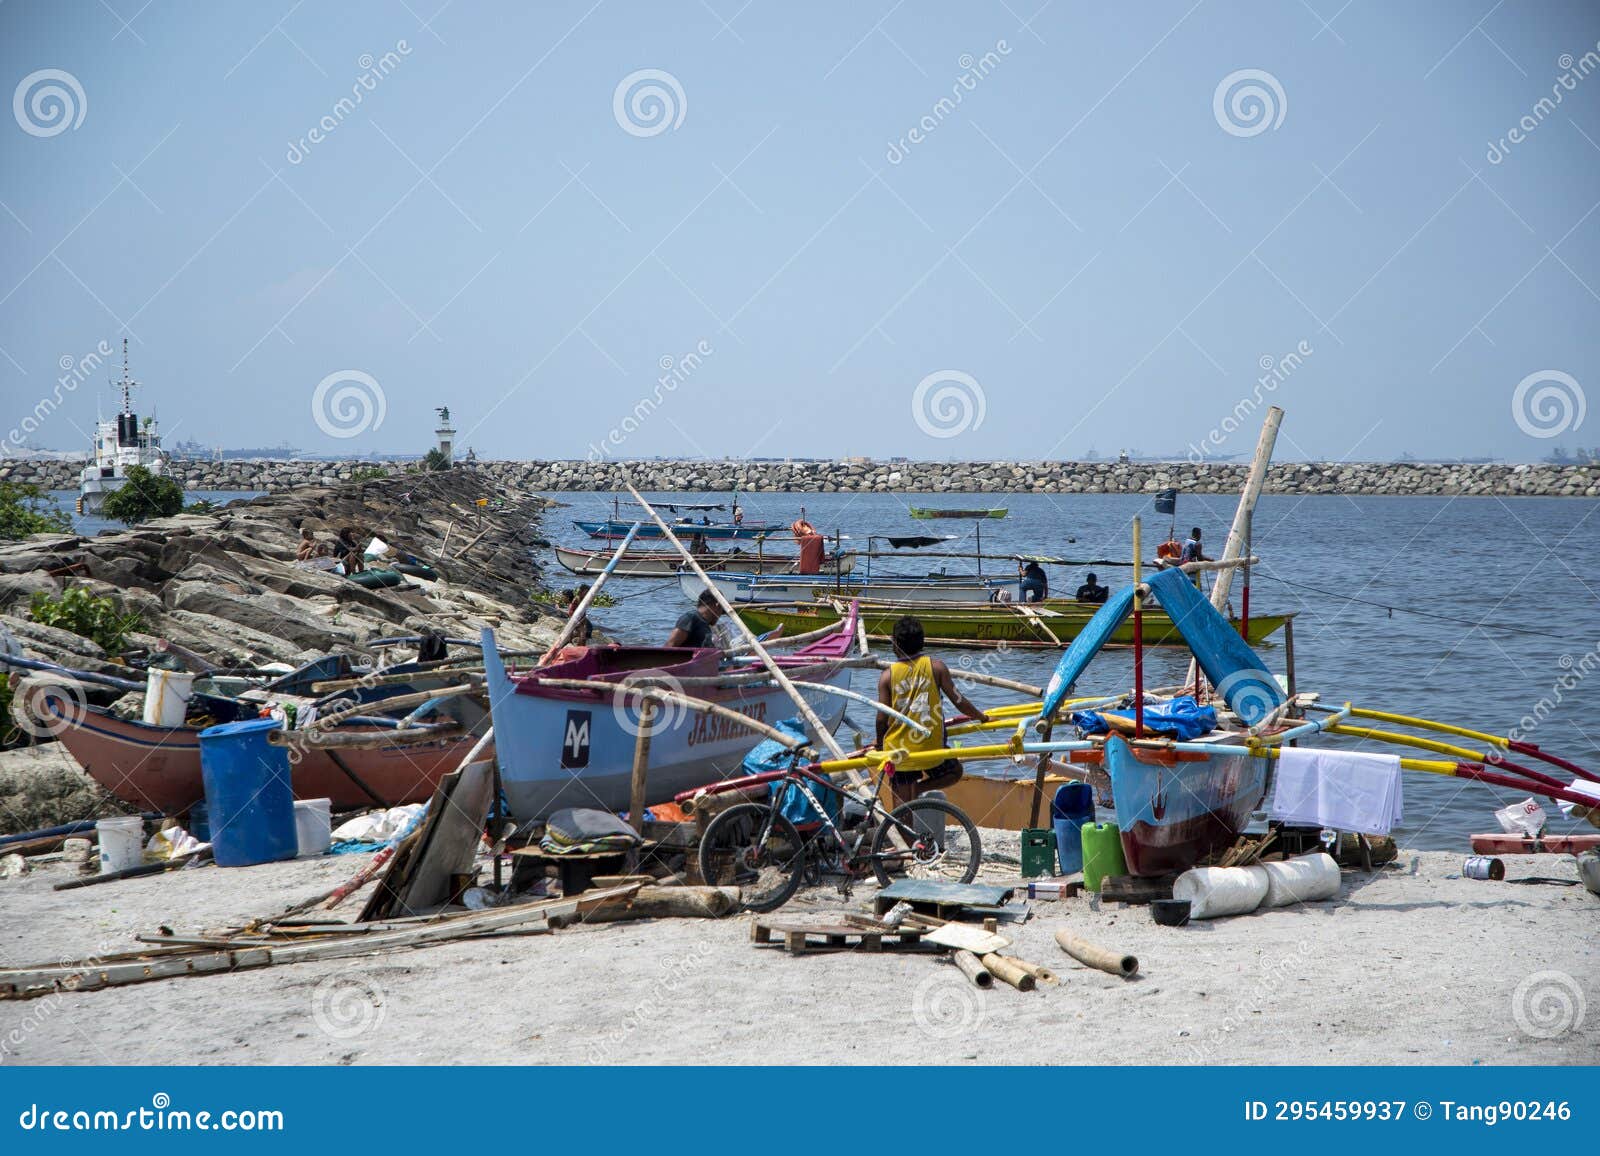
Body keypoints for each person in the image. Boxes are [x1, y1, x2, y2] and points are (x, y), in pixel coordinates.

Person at [876, 616, 990, 808]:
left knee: (902, 810)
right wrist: (982, 717)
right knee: (954, 771)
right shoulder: (936, 667)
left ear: (895, 643)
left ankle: (909, 827)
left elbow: (881, 719)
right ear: (922, 642)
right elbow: (959, 701)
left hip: (899, 751)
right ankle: (919, 788)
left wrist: (879, 744)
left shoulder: (887, 676)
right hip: (931, 750)